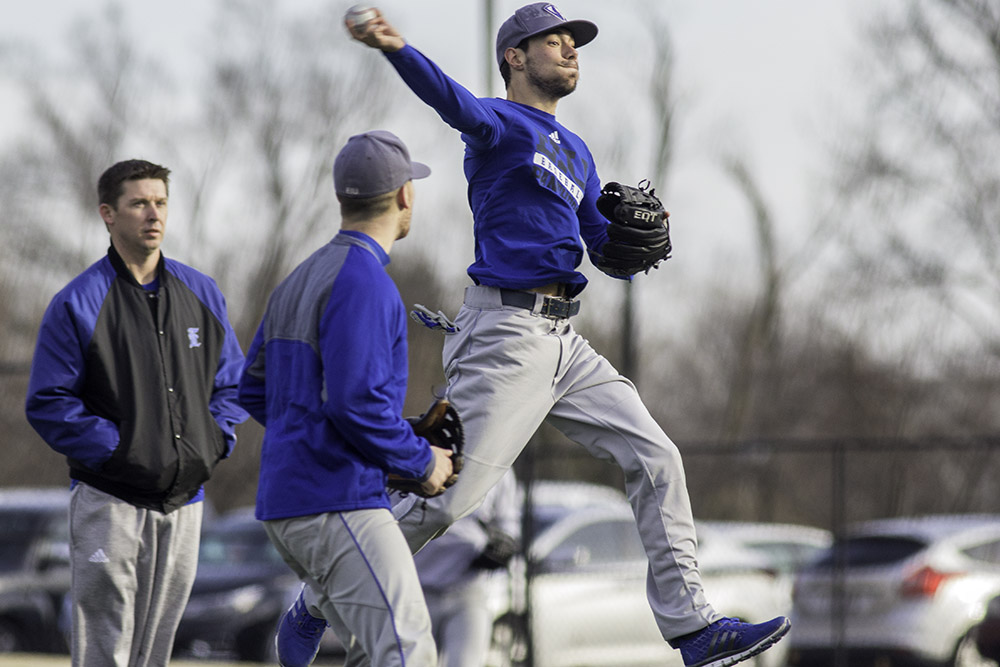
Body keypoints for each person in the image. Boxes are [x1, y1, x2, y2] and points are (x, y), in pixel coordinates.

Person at [340, 5, 794, 667]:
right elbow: (448, 97)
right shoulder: (498, 125)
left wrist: (632, 245)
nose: (569, 49)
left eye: (572, 40)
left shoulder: (576, 150)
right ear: (515, 58)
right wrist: (395, 46)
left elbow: (602, 247)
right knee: (447, 499)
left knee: (657, 455)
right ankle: (324, 591)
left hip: (563, 342)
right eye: (552, 40)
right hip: (505, 334)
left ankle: (693, 628)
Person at [238, 130, 457, 667]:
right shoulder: (364, 281)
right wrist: (420, 459)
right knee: (407, 652)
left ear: (342, 198)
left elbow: (253, 388)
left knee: (368, 654)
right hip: (338, 501)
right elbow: (355, 405)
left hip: (287, 505)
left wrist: (308, 435)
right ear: (405, 196)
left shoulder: (300, 277)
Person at [24, 159, 249, 666]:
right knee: (107, 646)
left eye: (161, 202)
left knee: (157, 651)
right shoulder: (78, 302)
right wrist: (125, 451)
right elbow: (49, 403)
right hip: (110, 501)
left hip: (185, 502)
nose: (154, 214)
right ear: (108, 213)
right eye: (139, 203)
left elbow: (233, 385)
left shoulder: (202, 293)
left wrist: (210, 443)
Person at [414, 470, 520, 667]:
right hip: (417, 591)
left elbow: (508, 523)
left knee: (466, 663)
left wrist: (503, 546)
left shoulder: (495, 460)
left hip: (468, 588)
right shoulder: (420, 449)